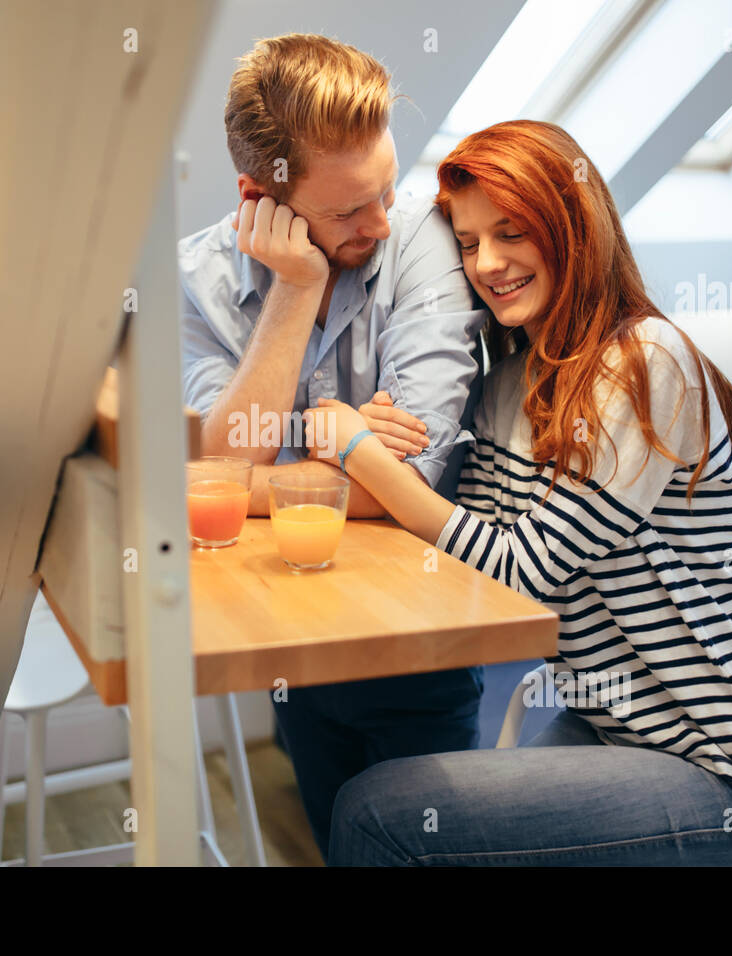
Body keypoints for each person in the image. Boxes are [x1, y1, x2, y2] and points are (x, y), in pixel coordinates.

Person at [303, 120, 732, 865]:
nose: (488, 263)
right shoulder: (510, 379)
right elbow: (465, 550)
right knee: (388, 792)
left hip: (728, 773)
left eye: (511, 233)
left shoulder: (644, 364)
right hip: (614, 729)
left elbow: (523, 570)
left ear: (571, 225)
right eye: (471, 243)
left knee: (378, 815)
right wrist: (381, 441)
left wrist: (354, 447)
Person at [177, 34, 489, 861]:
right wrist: (297, 288)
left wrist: (273, 470)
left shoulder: (420, 234)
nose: (379, 222)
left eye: (384, 189)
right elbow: (210, 480)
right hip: (288, 640)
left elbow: (412, 475)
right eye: (348, 211)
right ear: (260, 197)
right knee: (335, 845)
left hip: (420, 642)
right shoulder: (193, 281)